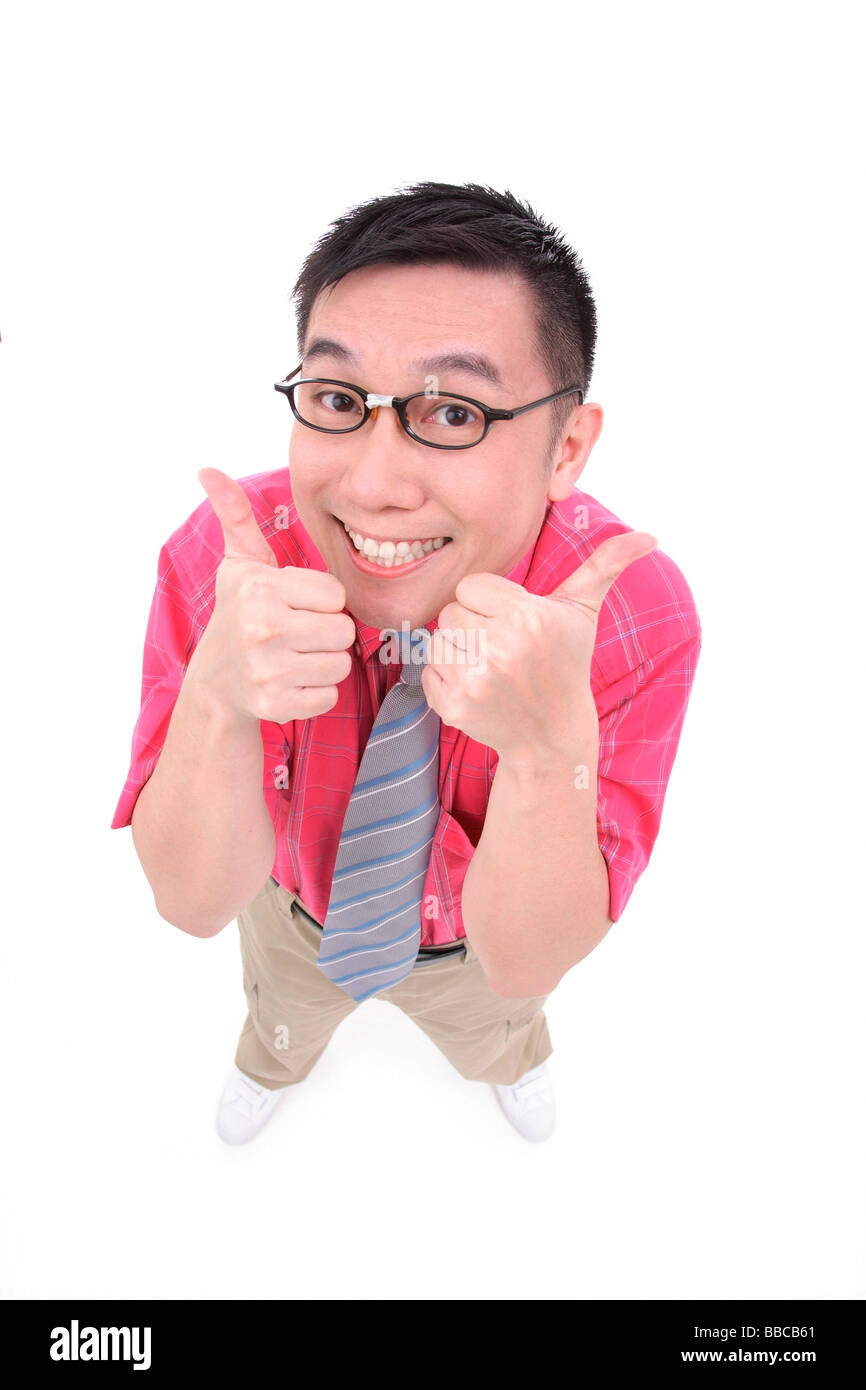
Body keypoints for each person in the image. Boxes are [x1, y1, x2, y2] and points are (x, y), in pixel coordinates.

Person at [111, 181, 702, 1146]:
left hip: (476, 955)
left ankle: (508, 1065)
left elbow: (526, 961)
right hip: (292, 914)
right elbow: (189, 902)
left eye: (455, 413)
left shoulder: (634, 614)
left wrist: (551, 751)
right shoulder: (228, 561)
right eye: (340, 399)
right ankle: (273, 1059)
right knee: (279, 1021)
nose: (374, 486)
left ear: (568, 447)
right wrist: (218, 699)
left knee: (500, 1033)